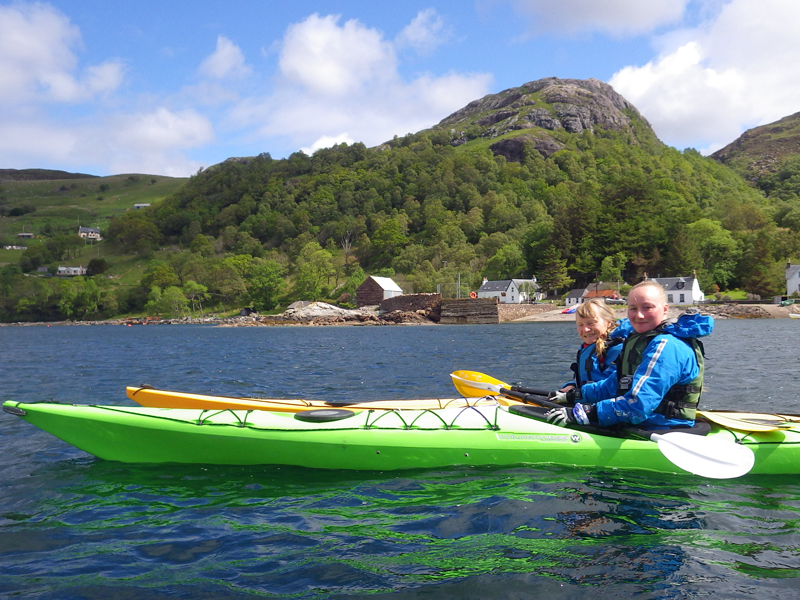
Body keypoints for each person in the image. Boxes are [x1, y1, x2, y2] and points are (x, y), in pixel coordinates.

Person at [546, 280, 713, 430]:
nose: (639, 315)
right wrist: (573, 395)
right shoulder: (642, 341)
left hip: (662, 427)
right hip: (640, 421)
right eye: (633, 309)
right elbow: (614, 385)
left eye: (647, 307)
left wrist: (588, 413)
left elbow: (640, 405)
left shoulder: (667, 346)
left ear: (665, 309)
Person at [552, 298, 627, 404]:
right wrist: (571, 386)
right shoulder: (588, 347)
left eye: (591, 323)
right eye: (580, 325)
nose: (585, 329)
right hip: (587, 401)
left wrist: (575, 395)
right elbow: (587, 379)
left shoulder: (617, 349)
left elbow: (613, 386)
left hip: (608, 408)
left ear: (608, 323)